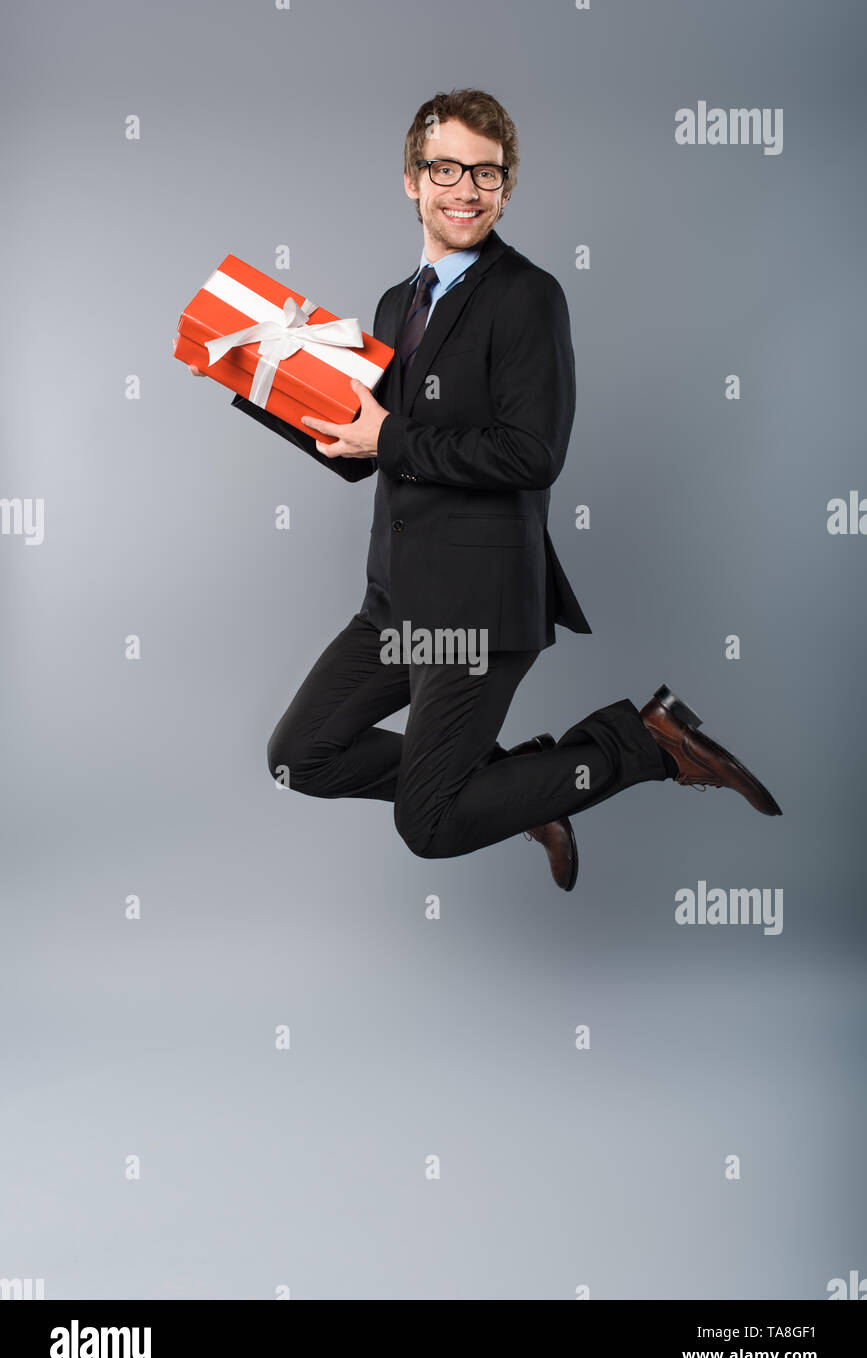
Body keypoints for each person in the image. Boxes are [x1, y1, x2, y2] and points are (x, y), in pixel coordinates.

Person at [176, 88, 781, 893]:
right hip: (395, 602)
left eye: (487, 174)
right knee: (301, 756)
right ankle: (521, 793)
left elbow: (531, 453)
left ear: (506, 185)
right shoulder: (400, 302)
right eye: (446, 168)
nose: (466, 189)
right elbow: (366, 452)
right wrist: (260, 378)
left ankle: (645, 745)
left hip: (479, 605)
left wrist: (386, 436)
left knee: (427, 825)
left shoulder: (527, 296)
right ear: (409, 179)